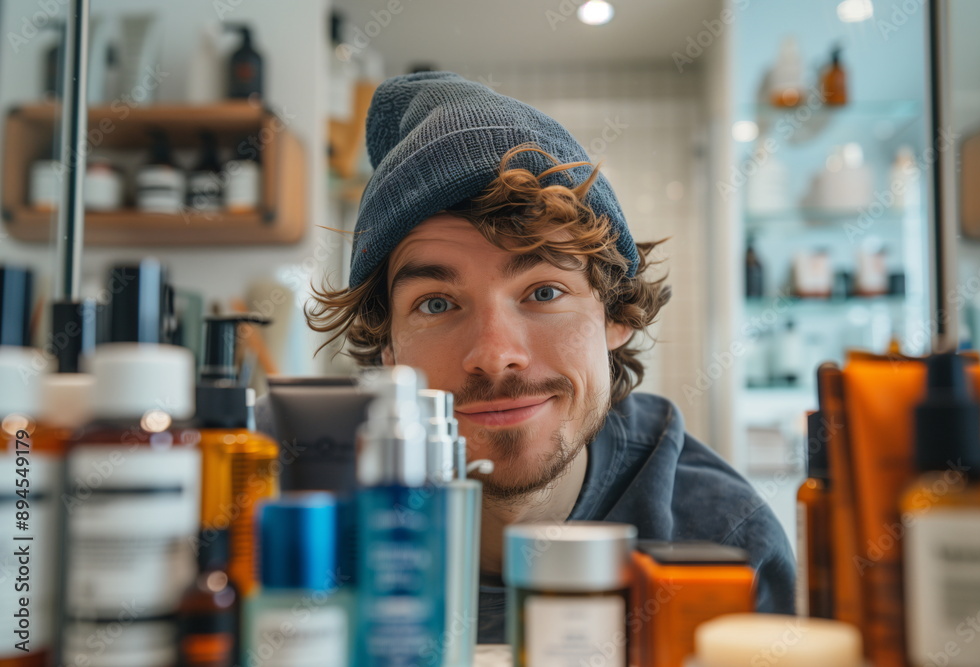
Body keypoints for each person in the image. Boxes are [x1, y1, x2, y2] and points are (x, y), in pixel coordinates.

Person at [307, 71, 795, 643]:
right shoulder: (291, 513)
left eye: (543, 292)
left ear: (616, 314)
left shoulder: (727, 546)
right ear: (387, 346)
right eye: (436, 303)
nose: (494, 356)